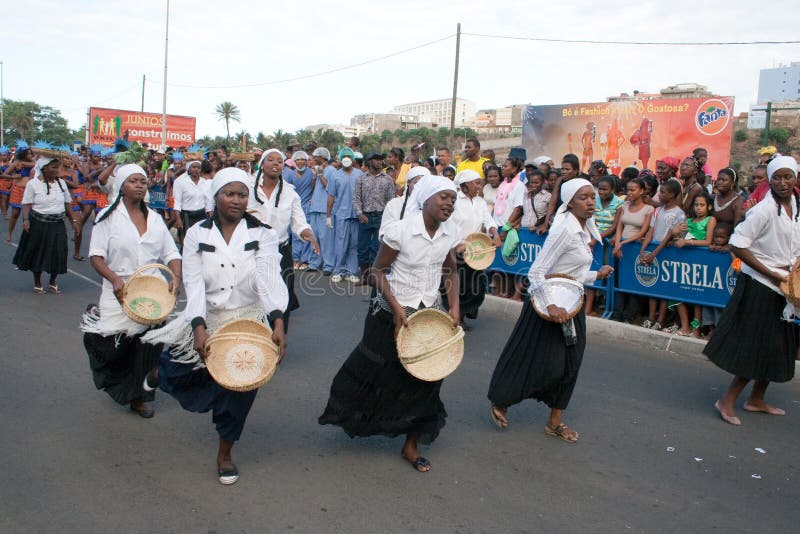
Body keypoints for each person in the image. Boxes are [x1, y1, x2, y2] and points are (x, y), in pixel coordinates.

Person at [143, 167, 289, 484]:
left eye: (242, 194)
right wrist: (198, 326)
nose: (236, 200)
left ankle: (225, 453)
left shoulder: (263, 233)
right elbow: (193, 284)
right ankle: (159, 374)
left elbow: (269, 279)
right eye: (229, 194)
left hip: (248, 321)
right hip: (209, 317)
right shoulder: (197, 234)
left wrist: (277, 320)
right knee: (180, 372)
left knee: (239, 391)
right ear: (216, 196)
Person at [319, 175, 461, 473]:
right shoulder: (401, 232)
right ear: (425, 200)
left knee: (428, 379)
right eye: (443, 197)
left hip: (428, 315)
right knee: (378, 371)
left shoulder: (450, 233)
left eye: (453, 198)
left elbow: (450, 272)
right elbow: (377, 271)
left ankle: (411, 444)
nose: (449, 203)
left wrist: (455, 307)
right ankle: (359, 417)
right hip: (390, 310)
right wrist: (397, 308)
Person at [488, 178, 614, 441]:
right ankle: (501, 400)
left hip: (571, 306)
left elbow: (572, 273)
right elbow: (536, 272)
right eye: (583, 197)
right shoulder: (564, 230)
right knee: (530, 357)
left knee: (571, 362)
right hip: (545, 307)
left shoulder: (583, 228)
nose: (591, 202)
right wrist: (551, 304)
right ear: (569, 202)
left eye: (592, 197)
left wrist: (595, 275)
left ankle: (555, 421)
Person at [703, 156, 800, 426]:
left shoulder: (796, 205)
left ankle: (756, 399)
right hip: (761, 285)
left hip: (785, 286)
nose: (782, 182)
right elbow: (738, 244)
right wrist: (770, 272)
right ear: (770, 180)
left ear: (795, 179)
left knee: (778, 346)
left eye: (787, 177)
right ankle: (727, 400)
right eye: (777, 178)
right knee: (755, 345)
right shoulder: (764, 210)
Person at [81, 164, 182, 418]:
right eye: (133, 181)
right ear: (121, 186)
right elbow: (96, 256)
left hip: (152, 292)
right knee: (114, 347)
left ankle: (140, 396)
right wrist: (114, 279)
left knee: (148, 346)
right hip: (120, 290)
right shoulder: (107, 218)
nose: (139, 185)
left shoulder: (156, 220)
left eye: (143, 181)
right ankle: (97, 327)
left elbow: (171, 253)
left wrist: (176, 277)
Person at [250, 149, 318, 331]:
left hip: (281, 251)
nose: (275, 164)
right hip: (251, 252)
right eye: (270, 160)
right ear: (262, 164)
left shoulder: (290, 193)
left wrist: (307, 233)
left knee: (282, 295)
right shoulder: (247, 189)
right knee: (253, 295)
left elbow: (299, 221)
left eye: (279, 161)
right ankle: (255, 336)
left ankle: (278, 338)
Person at [12, 157, 80, 293]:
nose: (57, 170)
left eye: (57, 167)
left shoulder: (61, 183)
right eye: (53, 167)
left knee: (59, 252)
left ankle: (52, 281)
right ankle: (37, 282)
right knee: (38, 252)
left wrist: (74, 221)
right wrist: (25, 220)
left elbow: (67, 204)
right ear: (44, 169)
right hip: (38, 223)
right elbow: (26, 204)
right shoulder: (33, 184)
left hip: (57, 223)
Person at [447, 170, 503, 327]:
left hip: (476, 250)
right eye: (477, 183)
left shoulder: (480, 202)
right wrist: (458, 244)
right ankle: (456, 315)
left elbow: (489, 220)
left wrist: (495, 235)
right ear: (465, 184)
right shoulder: (455, 201)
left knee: (475, 285)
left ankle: (463, 314)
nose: (480, 186)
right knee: (459, 285)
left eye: (480, 183)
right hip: (457, 250)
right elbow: (448, 225)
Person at [664, 192, 717, 336]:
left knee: (696, 297)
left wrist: (688, 242)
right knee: (677, 293)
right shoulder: (688, 221)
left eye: (702, 205)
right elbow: (678, 237)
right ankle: (685, 326)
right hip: (683, 263)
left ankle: (696, 329)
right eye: (696, 205)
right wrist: (674, 233)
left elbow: (708, 241)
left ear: (709, 206)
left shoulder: (710, 220)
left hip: (700, 263)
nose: (698, 208)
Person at [638, 179, 686, 331]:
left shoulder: (679, 214)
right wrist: (643, 250)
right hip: (653, 250)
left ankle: (660, 319)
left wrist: (653, 253)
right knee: (653, 286)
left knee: (663, 288)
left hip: (666, 253)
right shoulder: (657, 211)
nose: (659, 195)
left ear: (672, 195)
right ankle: (651, 317)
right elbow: (650, 231)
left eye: (663, 192)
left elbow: (668, 238)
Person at [612, 178, 654, 322]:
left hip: (635, 248)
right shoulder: (624, 206)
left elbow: (642, 232)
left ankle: (630, 315)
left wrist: (623, 243)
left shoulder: (649, 209)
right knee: (619, 279)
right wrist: (618, 243)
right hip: (621, 248)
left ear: (641, 191)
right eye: (628, 189)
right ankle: (617, 313)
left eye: (633, 190)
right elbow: (619, 227)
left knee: (633, 281)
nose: (629, 193)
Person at [354, 152, 395, 282]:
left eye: (380, 160)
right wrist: (360, 213)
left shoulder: (387, 179)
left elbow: (391, 200)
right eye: (376, 159)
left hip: (381, 217)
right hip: (365, 217)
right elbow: (356, 198)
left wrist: (387, 217)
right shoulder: (361, 178)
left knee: (379, 248)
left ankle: (376, 277)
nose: (379, 162)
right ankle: (365, 275)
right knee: (362, 248)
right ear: (369, 161)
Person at [584, 175, 622, 316]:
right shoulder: (594, 200)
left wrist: (597, 238)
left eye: (605, 189)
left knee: (605, 273)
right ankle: (587, 308)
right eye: (599, 189)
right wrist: (591, 238)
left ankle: (605, 307)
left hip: (606, 243)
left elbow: (614, 227)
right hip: (592, 241)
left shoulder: (618, 204)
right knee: (590, 272)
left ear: (612, 189)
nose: (601, 192)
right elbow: (590, 221)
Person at [327, 147, 362, 283]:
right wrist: (328, 216)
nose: (346, 158)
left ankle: (352, 272)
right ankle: (338, 271)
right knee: (341, 244)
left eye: (349, 156)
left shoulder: (359, 174)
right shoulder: (335, 175)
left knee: (354, 245)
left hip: (357, 214)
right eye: (344, 156)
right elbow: (331, 196)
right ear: (340, 159)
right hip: (341, 214)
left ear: (353, 159)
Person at [284, 150, 315, 271]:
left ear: (306, 161)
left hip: (307, 206)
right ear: (294, 161)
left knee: (307, 232)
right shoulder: (290, 174)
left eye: (303, 159)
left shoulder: (311, 173)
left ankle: (305, 260)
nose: (300, 161)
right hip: (294, 206)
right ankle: (296, 259)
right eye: (298, 159)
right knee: (296, 233)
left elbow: (315, 188)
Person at [380, 167, 428, 237]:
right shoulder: (394, 204)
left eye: (425, 184)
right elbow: (384, 233)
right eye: (417, 183)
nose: (420, 187)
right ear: (408, 182)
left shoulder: (432, 206)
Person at [309, 148, 335, 274]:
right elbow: (313, 187)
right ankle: (314, 264)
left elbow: (329, 187)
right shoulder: (317, 169)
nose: (314, 159)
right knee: (314, 237)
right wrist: (315, 176)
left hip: (325, 209)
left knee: (326, 238)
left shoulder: (331, 170)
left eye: (316, 156)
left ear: (323, 157)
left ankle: (328, 266)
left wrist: (320, 174)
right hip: (315, 207)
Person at [173, 160, 209, 247]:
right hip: (186, 216)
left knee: (200, 240)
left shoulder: (204, 182)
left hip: (201, 215)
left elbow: (208, 202)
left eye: (198, 167)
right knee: (187, 242)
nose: (196, 169)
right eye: (194, 167)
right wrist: (178, 219)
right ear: (188, 168)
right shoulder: (180, 182)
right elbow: (177, 202)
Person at [6, 146, 36, 242]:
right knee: (15, 213)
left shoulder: (34, 163)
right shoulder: (15, 164)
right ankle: (9, 233)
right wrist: (14, 176)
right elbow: (5, 174)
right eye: (28, 153)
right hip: (18, 190)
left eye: (31, 153)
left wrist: (23, 163)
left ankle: (26, 238)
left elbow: (35, 164)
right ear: (23, 154)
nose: (30, 155)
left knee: (27, 215)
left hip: (30, 191)